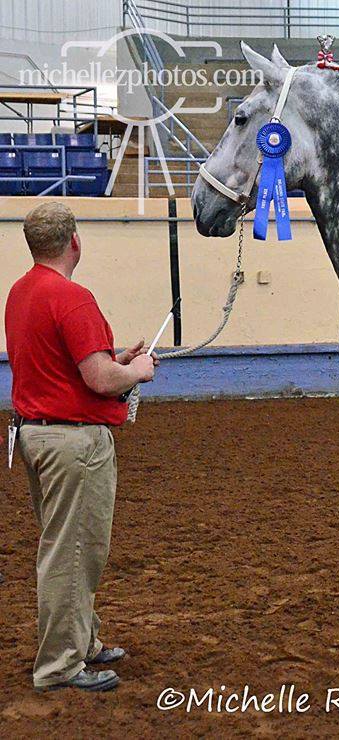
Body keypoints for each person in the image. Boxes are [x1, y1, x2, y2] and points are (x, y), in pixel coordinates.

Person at [4, 202, 158, 692]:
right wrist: (134, 370)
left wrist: (114, 358)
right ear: (74, 242)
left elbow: (67, 364)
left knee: (68, 545)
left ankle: (81, 640)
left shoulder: (21, 293)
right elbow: (99, 379)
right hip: (74, 443)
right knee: (74, 550)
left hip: (36, 434)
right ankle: (60, 665)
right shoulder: (73, 298)